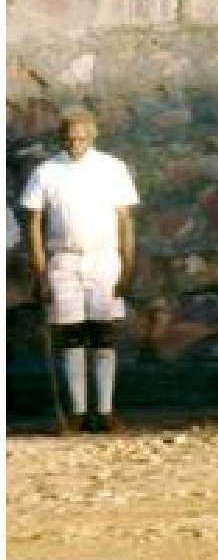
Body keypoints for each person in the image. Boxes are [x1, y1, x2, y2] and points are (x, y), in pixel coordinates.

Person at [20, 107, 140, 434]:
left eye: (81, 138)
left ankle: (105, 410)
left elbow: (125, 221)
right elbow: (33, 223)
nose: (75, 144)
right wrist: (40, 272)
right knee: (70, 333)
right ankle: (77, 411)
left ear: (92, 136)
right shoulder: (46, 172)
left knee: (104, 333)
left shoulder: (113, 168)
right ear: (61, 138)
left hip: (104, 259)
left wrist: (128, 266)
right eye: (69, 139)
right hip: (64, 260)